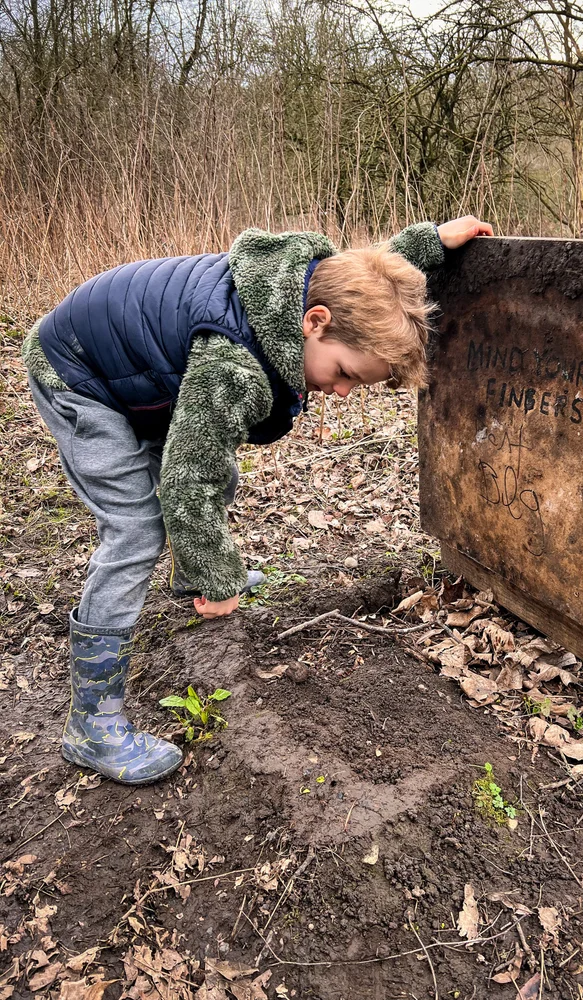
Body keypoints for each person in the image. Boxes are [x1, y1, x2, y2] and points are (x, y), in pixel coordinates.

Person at [21, 215, 493, 786]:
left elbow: (364, 275)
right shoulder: (233, 361)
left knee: (201, 458)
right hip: (76, 372)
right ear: (314, 324)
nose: (343, 392)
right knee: (137, 527)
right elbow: (188, 475)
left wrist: (428, 244)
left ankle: (197, 571)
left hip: (135, 365)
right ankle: (91, 724)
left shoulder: (301, 284)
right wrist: (216, 579)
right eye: (345, 373)